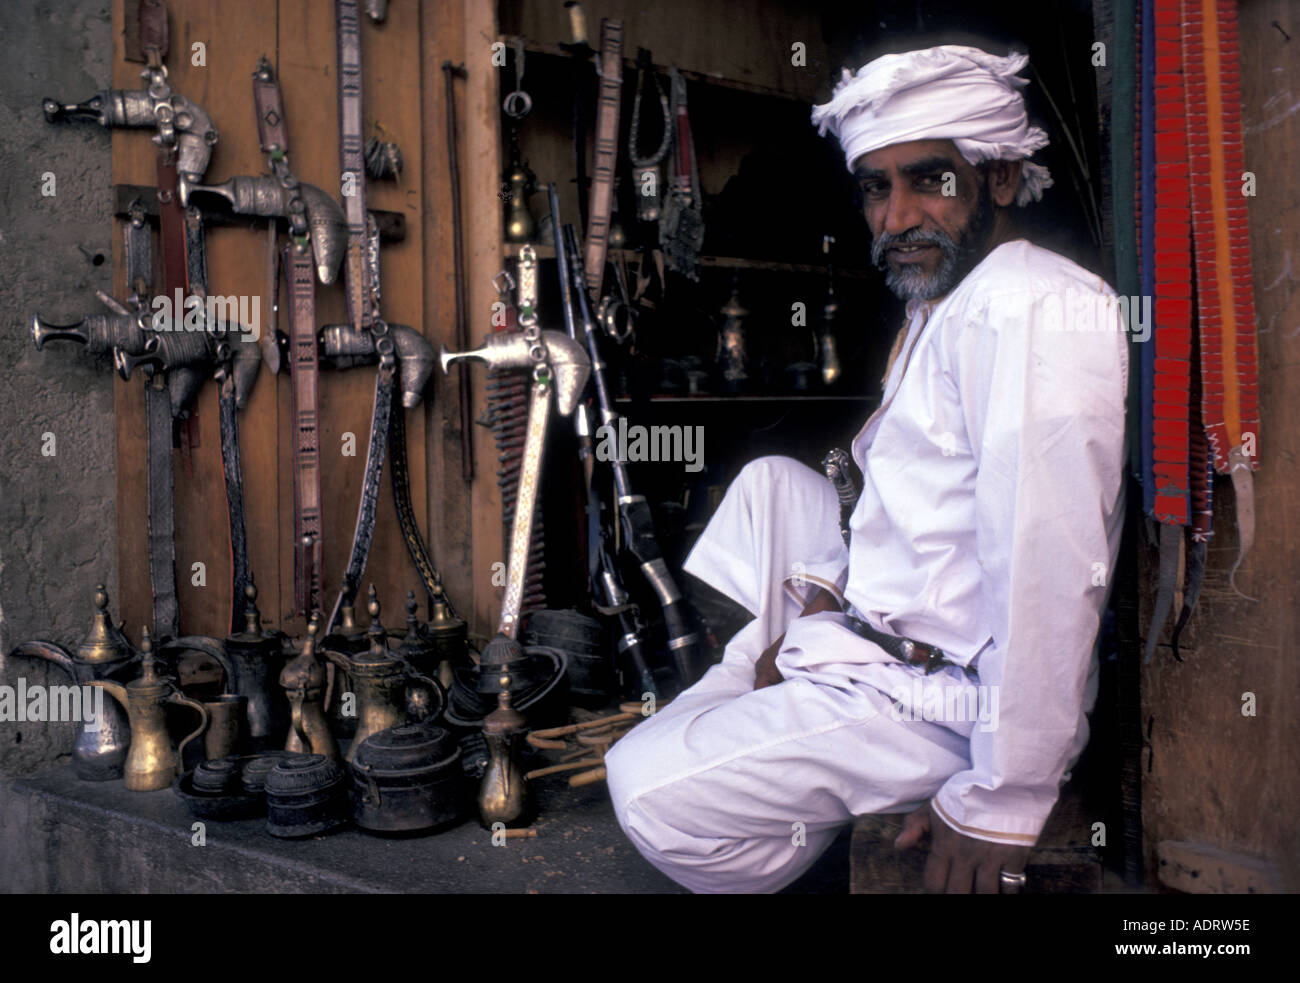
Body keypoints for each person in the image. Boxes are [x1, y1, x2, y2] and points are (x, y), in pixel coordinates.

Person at [603, 43, 1129, 894]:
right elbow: (916, 498)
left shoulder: (1030, 304)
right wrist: (838, 592)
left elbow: (1048, 559)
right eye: (877, 189)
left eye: (930, 180)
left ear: (995, 179)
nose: (897, 216)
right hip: (897, 639)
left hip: (950, 698)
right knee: (774, 483)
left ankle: (757, 679)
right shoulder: (946, 304)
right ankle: (781, 663)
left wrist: (1002, 794)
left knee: (647, 789)